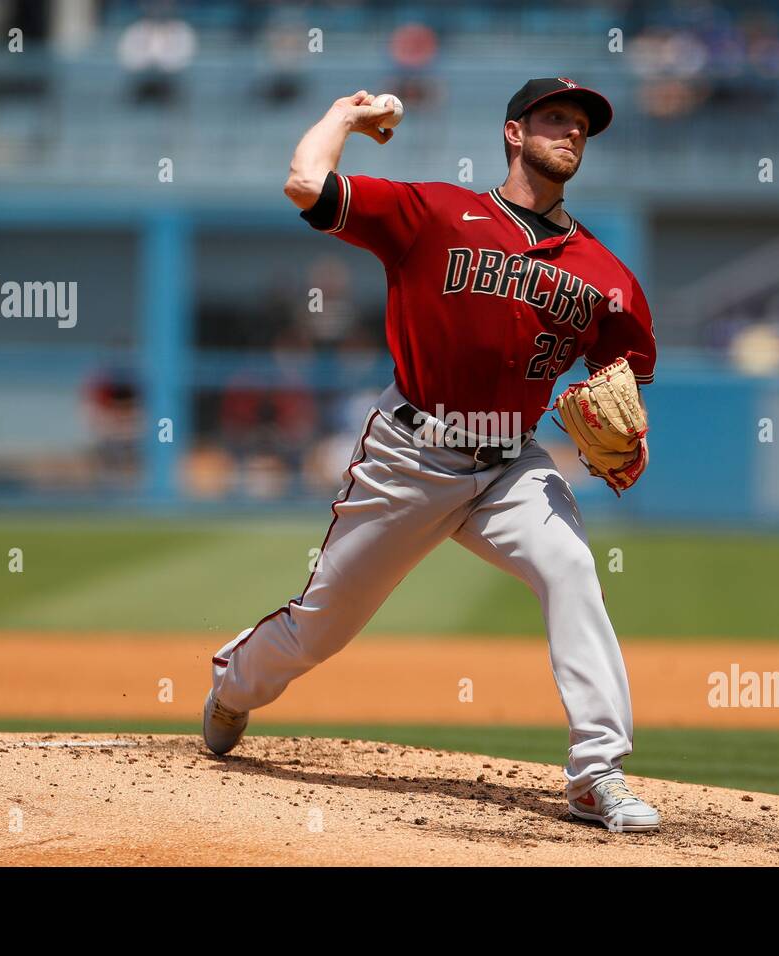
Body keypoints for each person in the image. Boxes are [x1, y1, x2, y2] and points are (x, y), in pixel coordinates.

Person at [203, 79, 661, 831]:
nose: (571, 133)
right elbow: (304, 184)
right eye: (554, 118)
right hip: (411, 455)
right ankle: (234, 686)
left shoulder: (606, 275)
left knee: (573, 569)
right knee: (323, 624)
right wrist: (345, 116)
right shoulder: (436, 213)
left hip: (512, 465)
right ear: (513, 133)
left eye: (581, 125)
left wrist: (629, 435)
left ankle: (596, 772)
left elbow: (625, 384)